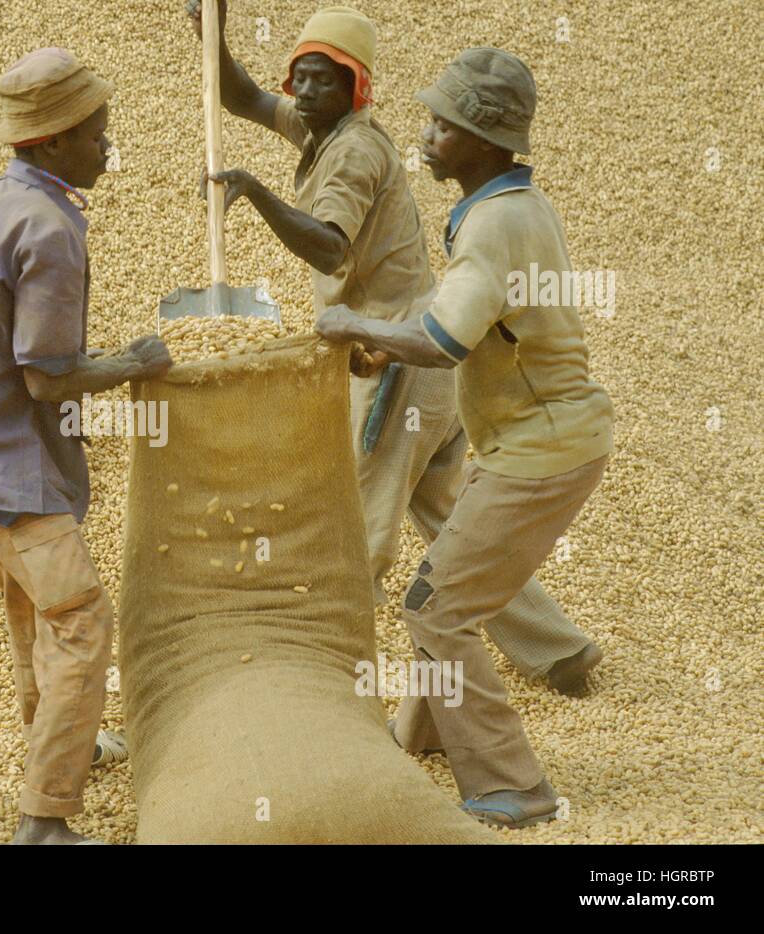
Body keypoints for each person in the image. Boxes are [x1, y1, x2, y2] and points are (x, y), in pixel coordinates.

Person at [185, 0, 602, 694]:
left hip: (397, 363)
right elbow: (239, 96)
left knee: (358, 534)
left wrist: (256, 194)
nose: (306, 91)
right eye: (302, 76)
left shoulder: (353, 151)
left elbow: (328, 246)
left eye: (325, 79)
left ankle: (335, 688)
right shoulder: (320, 127)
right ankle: (557, 648)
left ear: (359, 88)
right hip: (430, 371)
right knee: (446, 518)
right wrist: (214, 35)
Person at [314, 48, 615, 827]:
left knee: (434, 606)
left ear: (483, 142)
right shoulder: (517, 203)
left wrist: (355, 323)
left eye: (443, 127)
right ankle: (425, 735)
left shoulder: (491, 224)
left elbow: (447, 340)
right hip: (541, 440)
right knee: (446, 583)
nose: (427, 136)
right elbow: (466, 313)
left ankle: (514, 785)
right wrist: (389, 340)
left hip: (540, 455)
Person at [0, 47, 172, 844]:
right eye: (95, 135)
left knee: (32, 605)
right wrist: (134, 363)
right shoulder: (49, 226)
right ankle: (44, 821)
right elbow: (48, 378)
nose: (106, 147)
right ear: (51, 142)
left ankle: (67, 742)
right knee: (82, 619)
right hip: (2, 461)